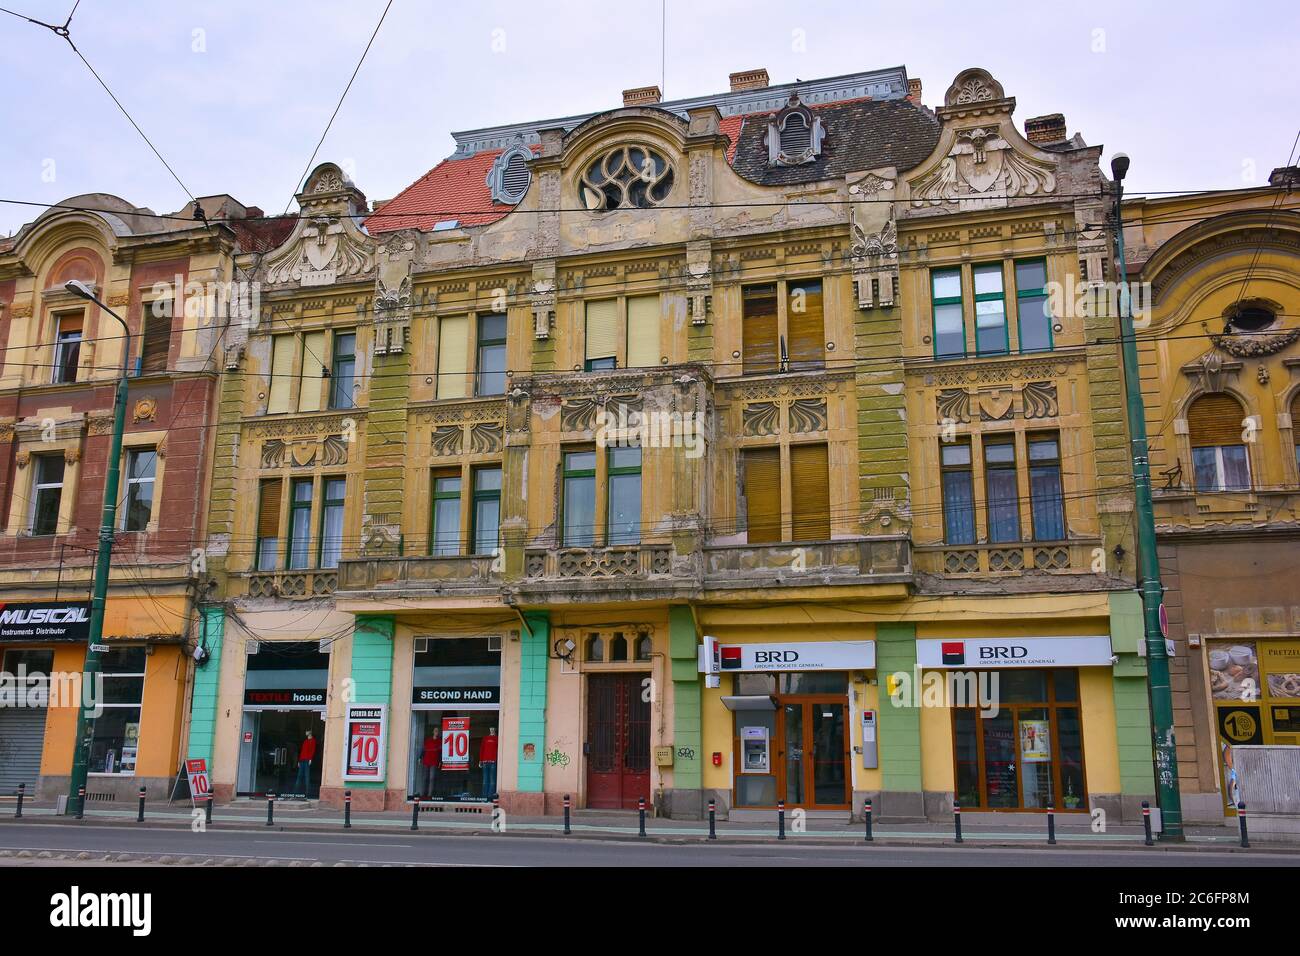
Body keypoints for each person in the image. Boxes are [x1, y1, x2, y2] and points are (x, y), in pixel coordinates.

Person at [293, 729, 316, 799]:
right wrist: (299, 761)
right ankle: (295, 793)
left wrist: (310, 759)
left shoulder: (313, 741)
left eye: (307, 731)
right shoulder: (305, 741)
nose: (305, 732)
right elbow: (302, 751)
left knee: (307, 777)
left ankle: (307, 794)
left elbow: (313, 750)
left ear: (310, 732)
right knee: (299, 776)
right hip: (302, 760)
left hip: (307, 760)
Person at [479, 726, 498, 800]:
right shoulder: (485, 738)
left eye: (493, 729)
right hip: (485, 762)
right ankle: (484, 797)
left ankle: (490, 797)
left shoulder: (497, 738)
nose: (492, 730)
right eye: (491, 729)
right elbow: (482, 749)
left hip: (493, 761)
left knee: (492, 780)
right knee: (485, 780)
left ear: (495, 730)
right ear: (489, 730)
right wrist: (480, 760)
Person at [421, 728, 441, 799]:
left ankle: (430, 794)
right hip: (426, 760)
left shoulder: (439, 741)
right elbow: (423, 749)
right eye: (435, 731)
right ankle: (423, 793)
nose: (436, 732)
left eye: (437, 731)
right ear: (433, 732)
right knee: (425, 777)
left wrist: (439, 761)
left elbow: (440, 752)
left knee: (432, 778)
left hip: (434, 761)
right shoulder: (428, 740)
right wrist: (420, 757)